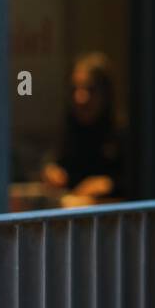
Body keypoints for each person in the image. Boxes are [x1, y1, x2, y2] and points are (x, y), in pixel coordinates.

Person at [41, 51, 126, 204]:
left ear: (106, 94)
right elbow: (53, 161)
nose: (80, 98)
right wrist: (51, 170)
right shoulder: (71, 130)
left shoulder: (122, 134)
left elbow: (139, 182)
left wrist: (108, 185)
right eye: (75, 89)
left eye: (90, 90)